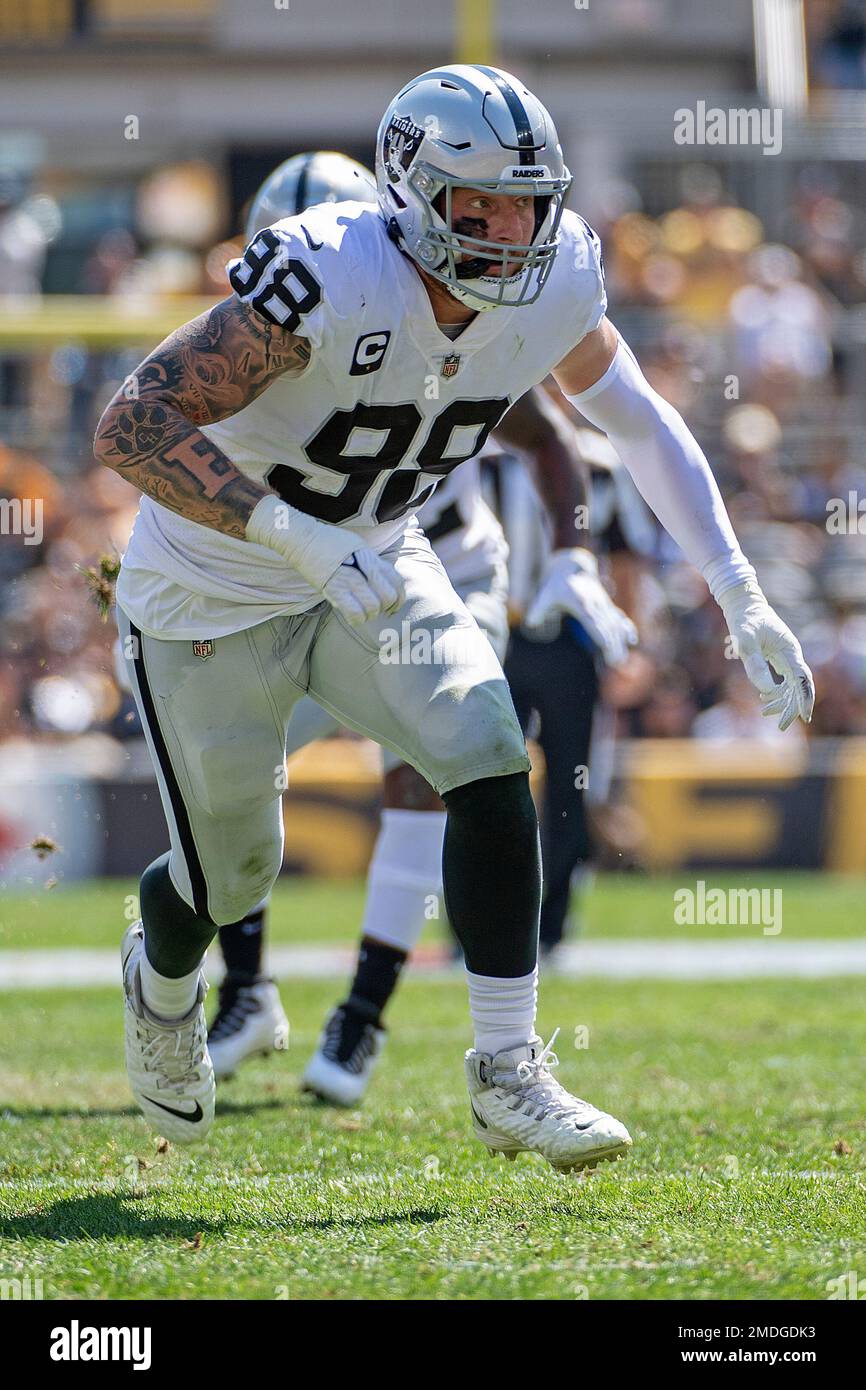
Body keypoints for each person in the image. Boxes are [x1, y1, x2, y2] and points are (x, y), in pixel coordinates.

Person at [94, 65, 813, 1174]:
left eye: (528, 199)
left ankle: (504, 1070)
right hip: (210, 587)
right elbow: (132, 421)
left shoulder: (558, 276)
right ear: (414, 195)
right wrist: (286, 530)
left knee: (483, 753)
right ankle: (163, 977)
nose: (511, 226)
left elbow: (638, 421)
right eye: (480, 204)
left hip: (375, 561)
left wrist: (738, 588)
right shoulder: (330, 271)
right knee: (229, 875)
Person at [206, 151, 635, 1101]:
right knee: (231, 762)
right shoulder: (272, 323)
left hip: (435, 561)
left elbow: (554, 437)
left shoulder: (452, 320)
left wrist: (573, 555)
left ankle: (363, 1018)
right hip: (296, 571)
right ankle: (243, 988)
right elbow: (172, 434)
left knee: (442, 765)